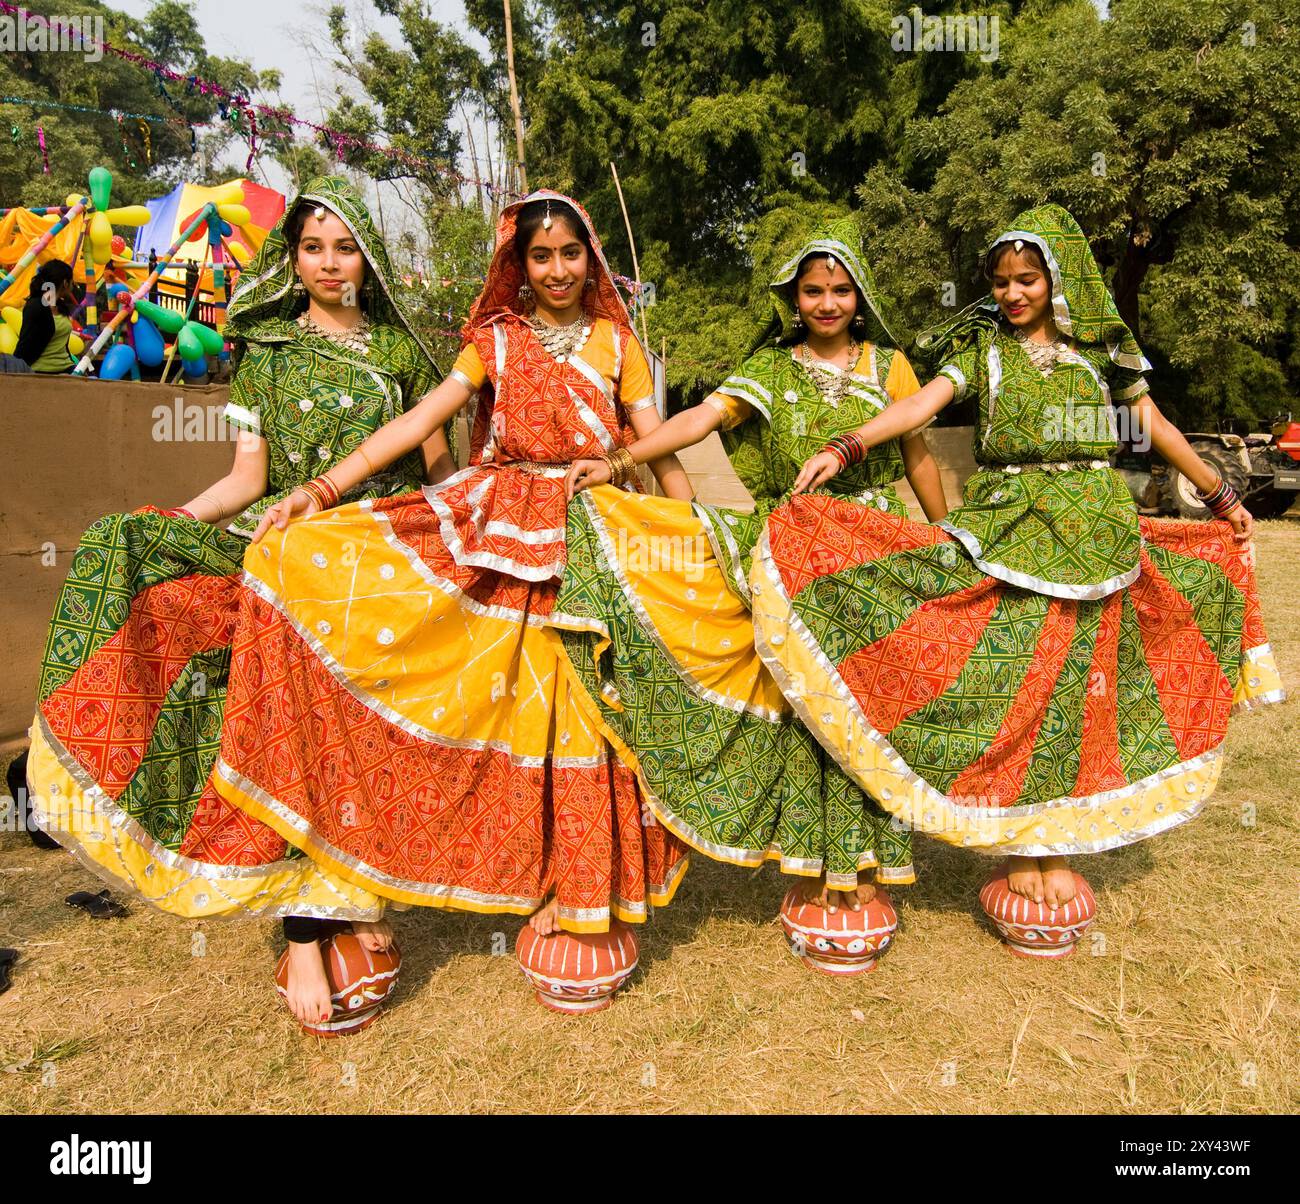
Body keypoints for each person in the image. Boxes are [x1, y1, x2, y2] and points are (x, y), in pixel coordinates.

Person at [223, 191, 690, 1011]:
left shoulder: (623, 346)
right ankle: (503, 877)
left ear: (591, 258)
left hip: (599, 528)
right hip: (500, 527)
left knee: (586, 708)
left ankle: (574, 886)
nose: (555, 270)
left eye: (570, 255)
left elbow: (656, 444)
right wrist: (322, 490)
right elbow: (419, 423)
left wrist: (690, 529)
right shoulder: (493, 342)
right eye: (539, 257)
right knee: (512, 710)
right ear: (519, 263)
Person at [753, 204, 1282, 911]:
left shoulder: (1101, 352)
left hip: (1093, 534)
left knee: (1076, 696)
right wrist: (847, 445)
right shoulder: (982, 351)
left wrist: (1220, 495)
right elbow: (920, 408)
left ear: (1057, 276)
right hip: (1005, 530)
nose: (1012, 294)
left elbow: (1150, 423)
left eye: (1026, 279)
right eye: (1002, 281)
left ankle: (1050, 851)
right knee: (1018, 689)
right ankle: (1006, 834)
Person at [25, 177, 451, 1027]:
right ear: (293, 258)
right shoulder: (263, 351)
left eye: (345, 246)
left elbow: (440, 474)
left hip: (377, 548)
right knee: (254, 689)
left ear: (369, 257)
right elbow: (250, 479)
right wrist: (177, 521)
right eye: (313, 247)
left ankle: (352, 900)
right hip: (284, 539)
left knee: (349, 724)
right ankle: (303, 929)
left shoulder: (405, 357)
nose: (330, 264)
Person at [559, 216, 948, 912]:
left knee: (864, 706)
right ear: (792, 300)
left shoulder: (888, 366)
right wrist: (620, 461)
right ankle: (807, 870)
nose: (827, 304)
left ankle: (866, 870)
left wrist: (943, 532)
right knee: (807, 705)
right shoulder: (769, 369)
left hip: (868, 553)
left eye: (840, 291)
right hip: (792, 553)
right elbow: (695, 422)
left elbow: (916, 451)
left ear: (860, 297)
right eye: (811, 292)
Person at [14, 259, 76, 372]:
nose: (73, 286)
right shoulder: (35, 306)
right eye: (72, 282)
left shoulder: (62, 307)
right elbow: (25, 342)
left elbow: (62, 345)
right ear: (65, 283)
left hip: (66, 368)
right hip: (40, 371)